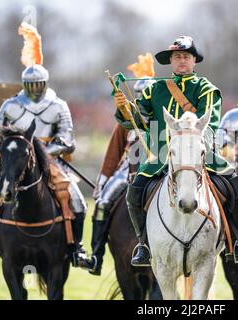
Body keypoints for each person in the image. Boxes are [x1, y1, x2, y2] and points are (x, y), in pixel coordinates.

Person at [114, 36, 238, 266]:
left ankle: (235, 242)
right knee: (133, 192)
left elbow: (209, 125)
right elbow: (137, 120)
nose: (182, 61)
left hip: (201, 155)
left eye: (186, 56)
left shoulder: (207, 89)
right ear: (171, 61)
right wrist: (123, 107)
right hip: (161, 156)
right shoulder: (155, 90)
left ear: (194, 61)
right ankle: (144, 245)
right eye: (177, 57)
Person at [0, 22, 88, 269]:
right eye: (30, 85)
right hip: (13, 160)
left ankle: (76, 249)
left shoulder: (58, 105)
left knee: (78, 202)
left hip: (51, 160)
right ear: (24, 84)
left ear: (46, 83)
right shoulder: (11, 105)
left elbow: (68, 139)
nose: (34, 89)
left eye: (38, 84)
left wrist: (45, 152)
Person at [80, 53, 155, 275]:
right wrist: (102, 181)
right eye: (140, 95)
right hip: (128, 170)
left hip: (157, 168)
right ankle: (96, 256)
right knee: (103, 203)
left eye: (147, 95)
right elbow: (113, 153)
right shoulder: (127, 117)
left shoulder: (163, 115)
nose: (143, 100)